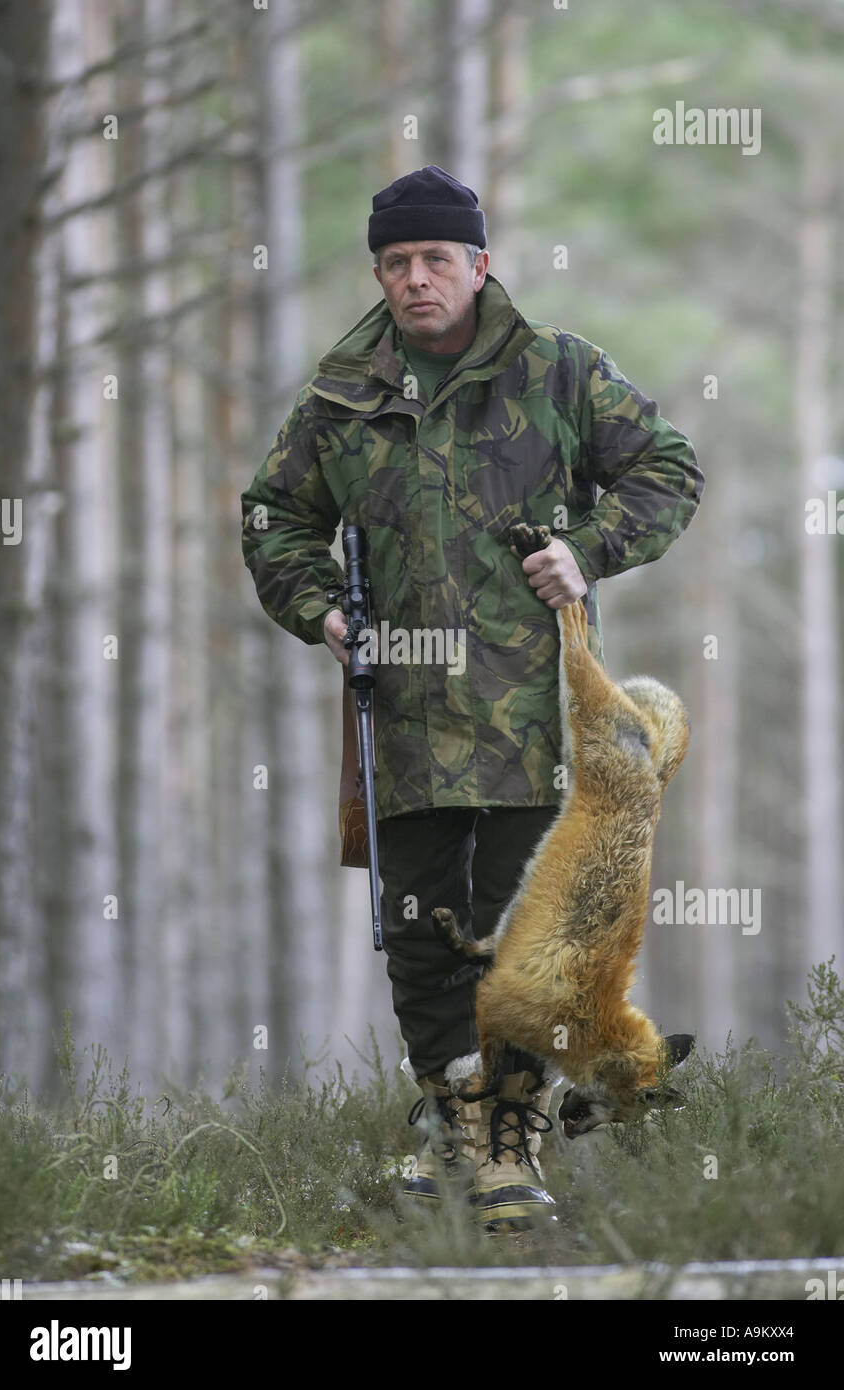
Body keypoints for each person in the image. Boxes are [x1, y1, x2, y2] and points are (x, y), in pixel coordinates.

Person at [241, 165, 704, 1229]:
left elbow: (669, 470)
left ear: (478, 265)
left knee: (526, 942)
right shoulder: (341, 394)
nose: (415, 280)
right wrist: (320, 610)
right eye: (397, 262)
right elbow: (273, 515)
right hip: (399, 721)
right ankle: (454, 1119)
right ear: (380, 273)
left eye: (435, 259)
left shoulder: (557, 371)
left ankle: (509, 1146)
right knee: (417, 935)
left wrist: (586, 552)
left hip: (538, 715)